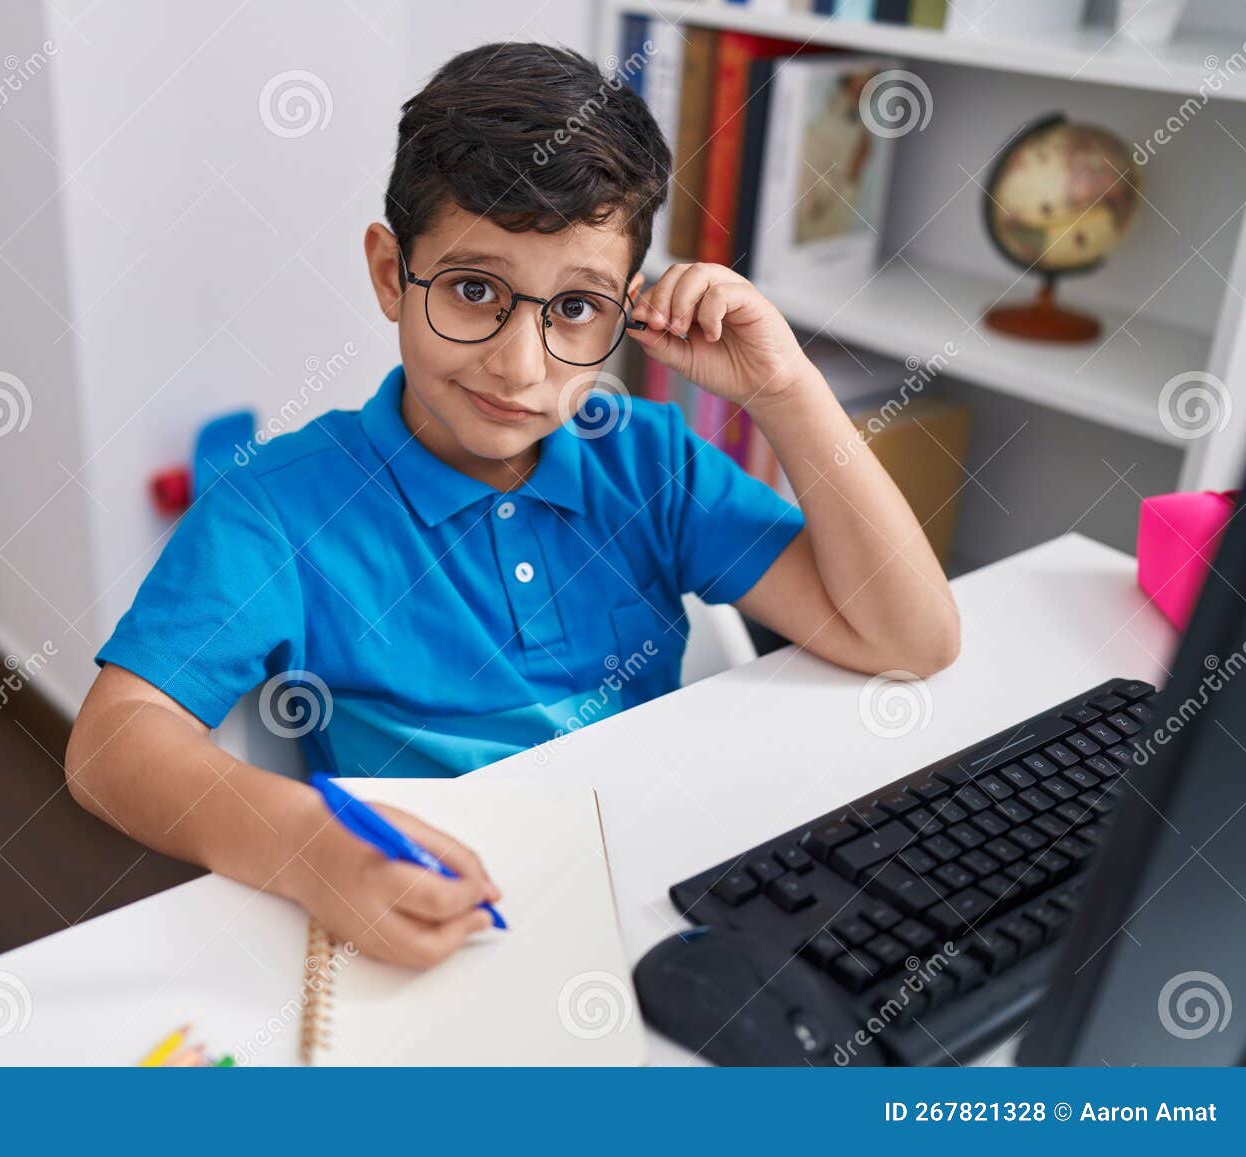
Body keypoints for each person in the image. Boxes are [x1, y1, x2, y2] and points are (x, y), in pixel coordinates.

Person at [65, 43, 960, 970]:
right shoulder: (280, 505)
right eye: (473, 289)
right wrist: (310, 848)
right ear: (389, 273)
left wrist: (786, 390)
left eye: (575, 307)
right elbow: (111, 742)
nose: (520, 367)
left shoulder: (647, 459)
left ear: (627, 310)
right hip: (443, 926)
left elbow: (911, 640)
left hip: (658, 896)